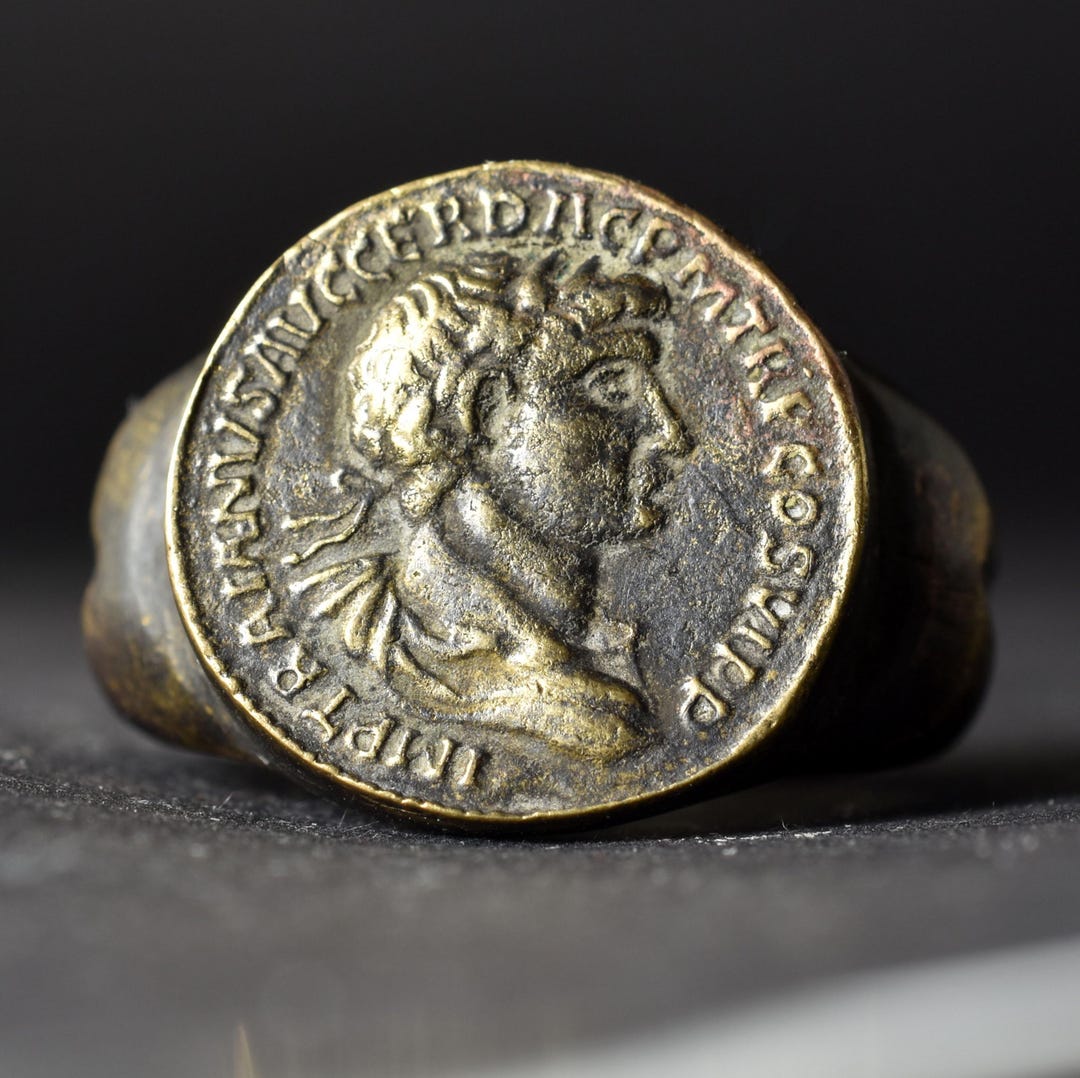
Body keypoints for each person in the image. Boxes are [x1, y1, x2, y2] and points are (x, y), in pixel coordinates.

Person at [305, 251, 689, 761]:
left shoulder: (584, 646)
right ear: (484, 410)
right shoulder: (415, 655)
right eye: (611, 387)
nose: (669, 434)